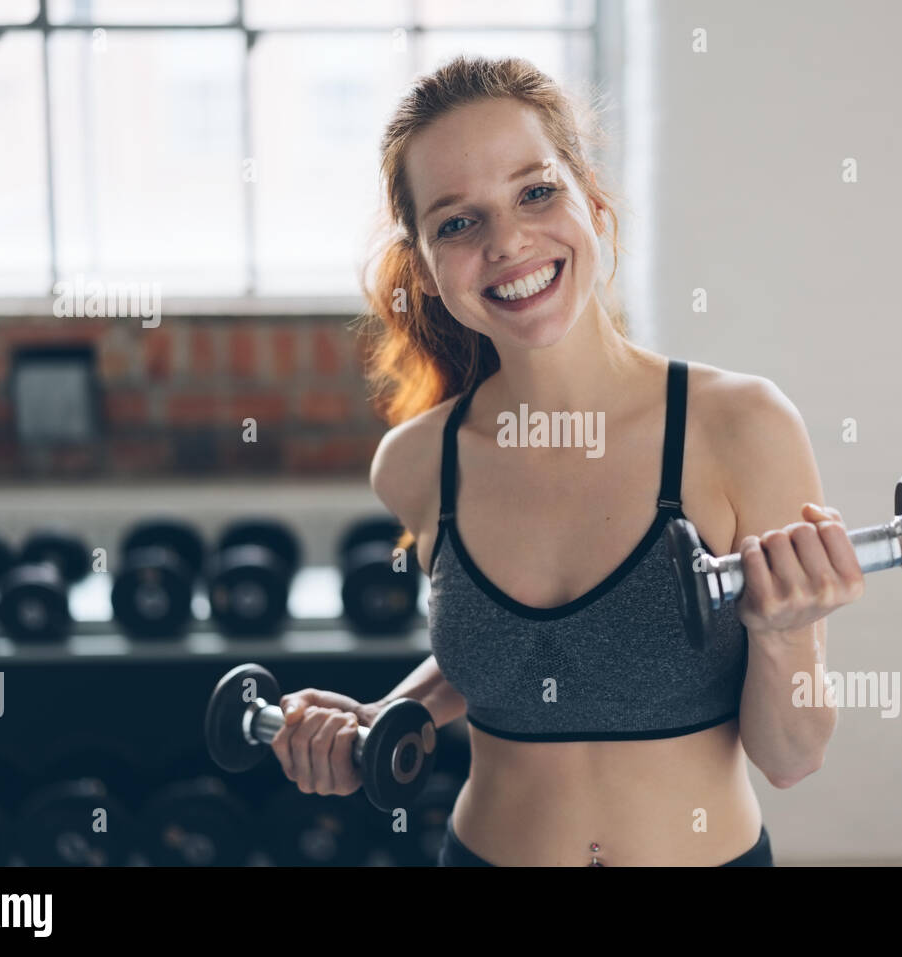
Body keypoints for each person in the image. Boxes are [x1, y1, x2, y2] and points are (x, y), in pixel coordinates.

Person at [270, 55, 863, 866]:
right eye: (457, 222)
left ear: (590, 195)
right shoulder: (416, 464)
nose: (508, 242)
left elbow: (792, 758)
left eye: (536, 191)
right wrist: (385, 714)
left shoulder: (741, 427)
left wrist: (787, 634)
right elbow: (516, 656)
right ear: (430, 267)